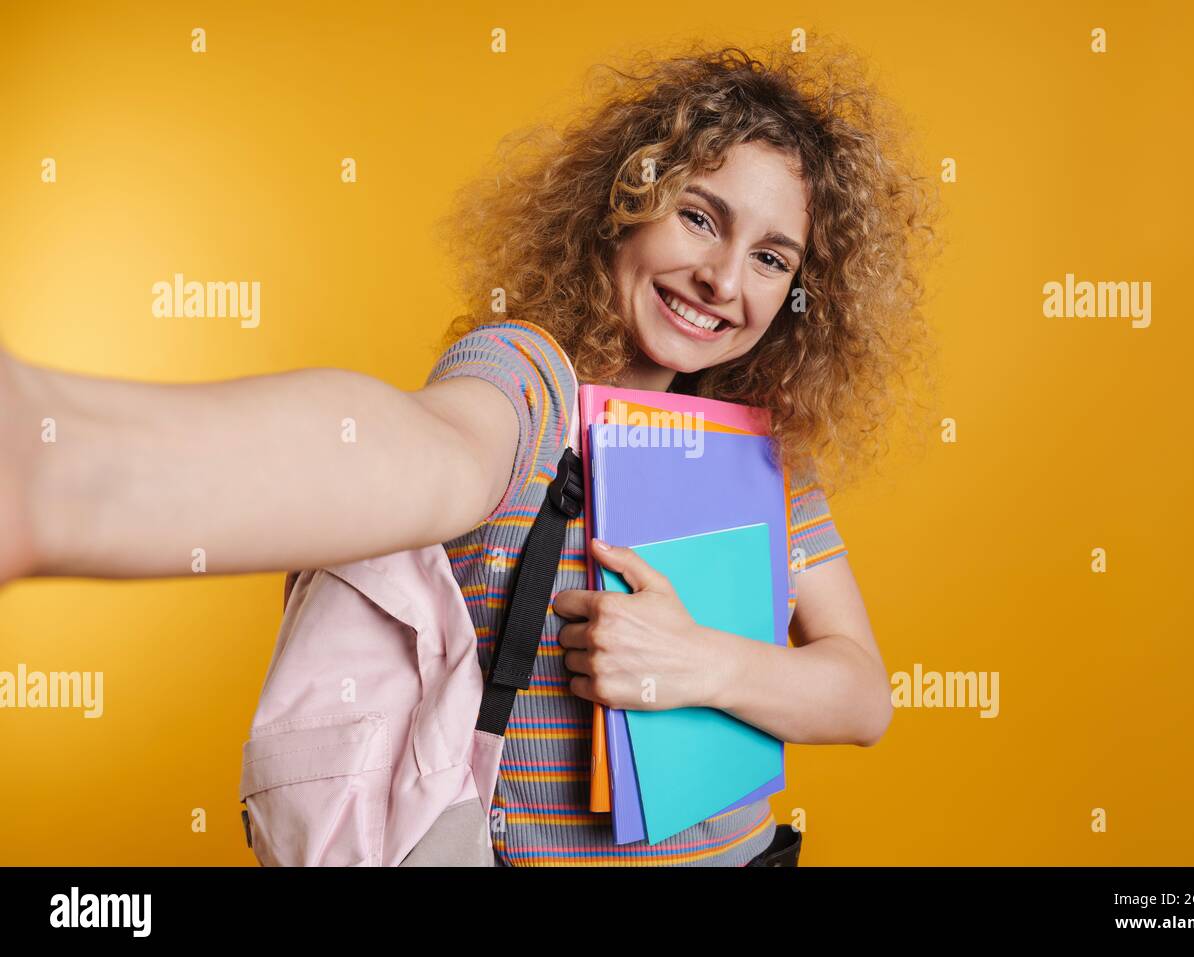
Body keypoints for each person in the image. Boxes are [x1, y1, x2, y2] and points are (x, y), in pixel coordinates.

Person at [0, 39, 936, 865]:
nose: (723, 279)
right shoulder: (527, 376)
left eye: (773, 259)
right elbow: (427, 454)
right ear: (626, 202)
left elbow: (862, 696)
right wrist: (60, 465)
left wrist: (704, 664)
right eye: (700, 216)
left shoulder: (764, 455)